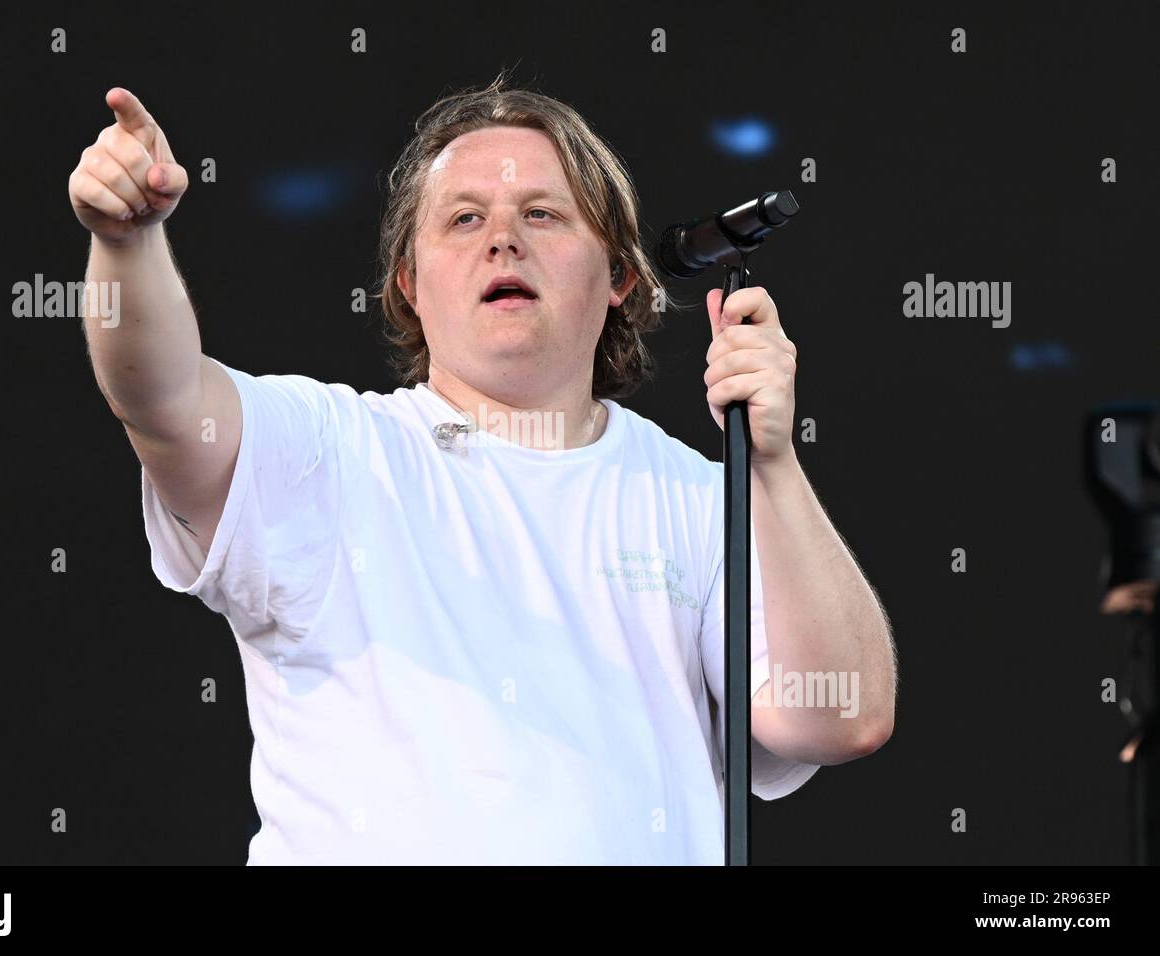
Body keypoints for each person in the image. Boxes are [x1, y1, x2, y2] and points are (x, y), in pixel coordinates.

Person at [71, 72, 897, 865]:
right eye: (464, 220)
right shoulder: (328, 450)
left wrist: (774, 464)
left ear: (618, 277)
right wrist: (127, 241)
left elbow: (840, 718)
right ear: (409, 285)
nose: (503, 236)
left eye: (543, 213)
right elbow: (161, 397)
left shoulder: (700, 497)